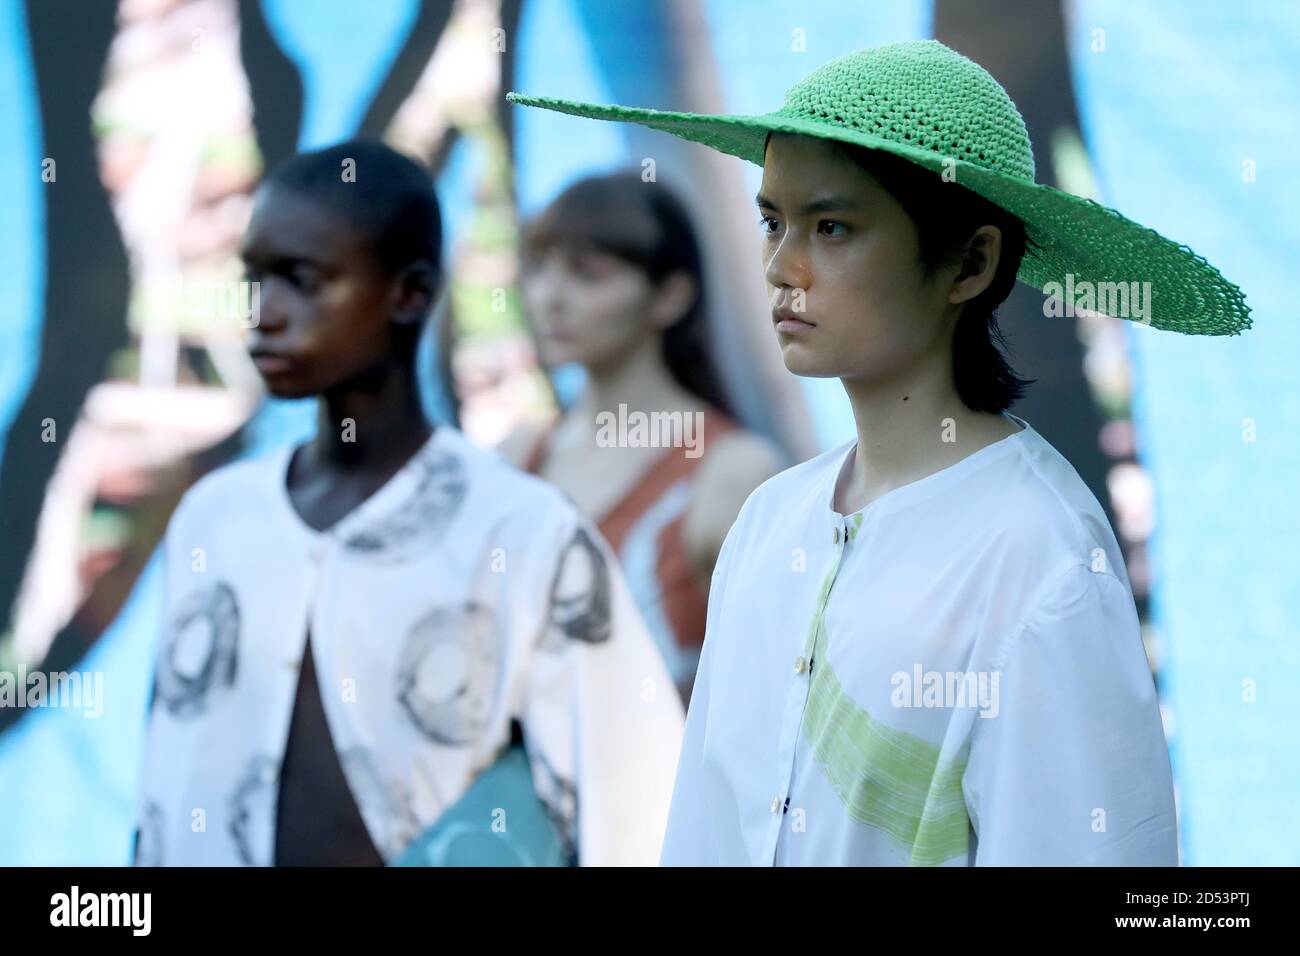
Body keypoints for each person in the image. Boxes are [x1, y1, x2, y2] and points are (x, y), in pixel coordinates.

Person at [508, 40, 1250, 865]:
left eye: (831, 226)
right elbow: (705, 832)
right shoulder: (769, 522)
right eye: (771, 221)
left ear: (970, 262)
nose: (782, 266)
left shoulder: (1043, 555)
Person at [131, 139, 683, 867]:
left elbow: (632, 805)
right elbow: (165, 782)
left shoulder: (520, 532)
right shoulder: (215, 518)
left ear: (410, 293)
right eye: (254, 279)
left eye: (302, 280)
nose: (264, 314)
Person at [500, 172, 781, 704]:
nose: (548, 298)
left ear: (671, 296)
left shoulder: (732, 471)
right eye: (537, 269)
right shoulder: (516, 454)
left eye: (587, 274)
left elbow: (772, 694)